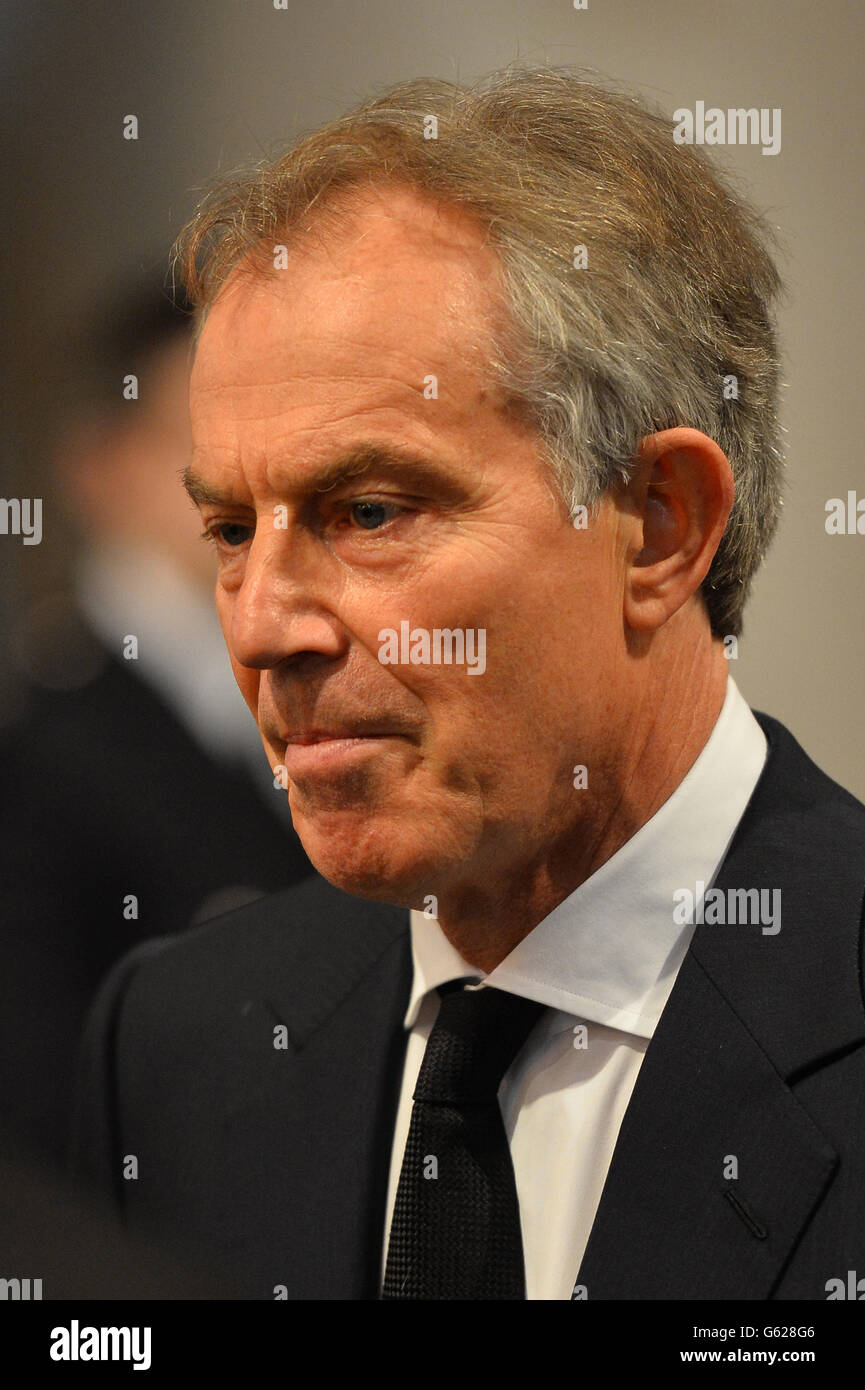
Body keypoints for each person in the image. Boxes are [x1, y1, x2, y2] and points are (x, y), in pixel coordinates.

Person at [71, 66, 865, 1300]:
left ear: (658, 524)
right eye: (229, 530)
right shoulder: (175, 1045)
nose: (264, 623)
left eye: (370, 509)